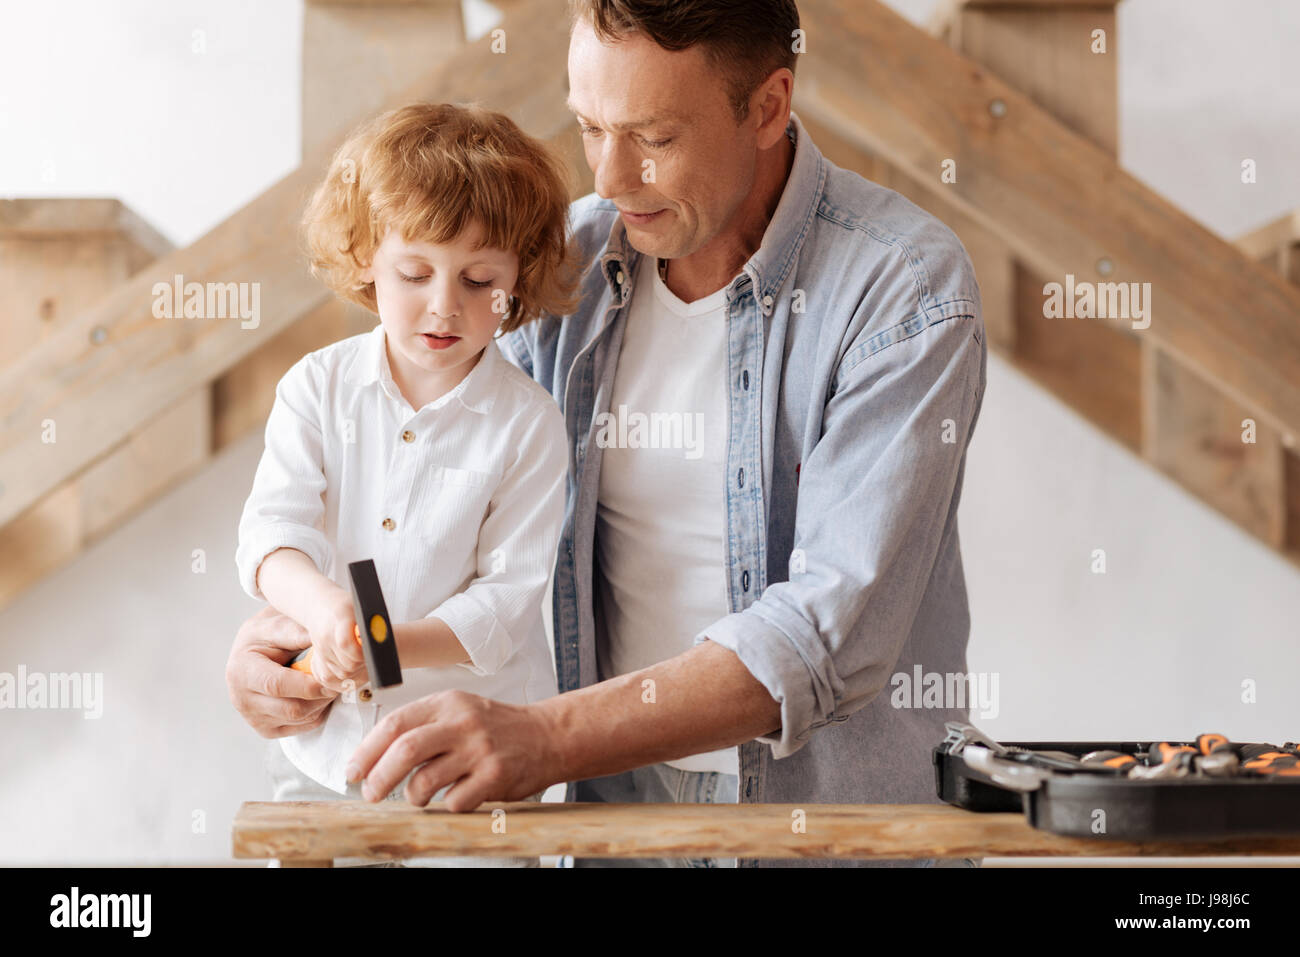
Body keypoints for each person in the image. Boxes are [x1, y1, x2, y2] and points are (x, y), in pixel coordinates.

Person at [228, 0, 987, 869]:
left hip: (825, 831)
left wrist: (546, 738)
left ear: (769, 106)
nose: (614, 178)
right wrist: (288, 642)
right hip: (605, 820)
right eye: (590, 127)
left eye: (653, 137)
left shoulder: (903, 290)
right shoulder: (565, 263)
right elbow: (429, 497)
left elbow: (827, 634)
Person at [233, 101, 579, 867]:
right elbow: (271, 536)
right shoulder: (316, 389)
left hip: (469, 772)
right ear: (364, 256)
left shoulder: (528, 425)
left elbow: (502, 604)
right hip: (325, 759)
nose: (445, 305)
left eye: (479, 277)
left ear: (517, 276)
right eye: (415, 272)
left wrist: (381, 644)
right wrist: (329, 616)